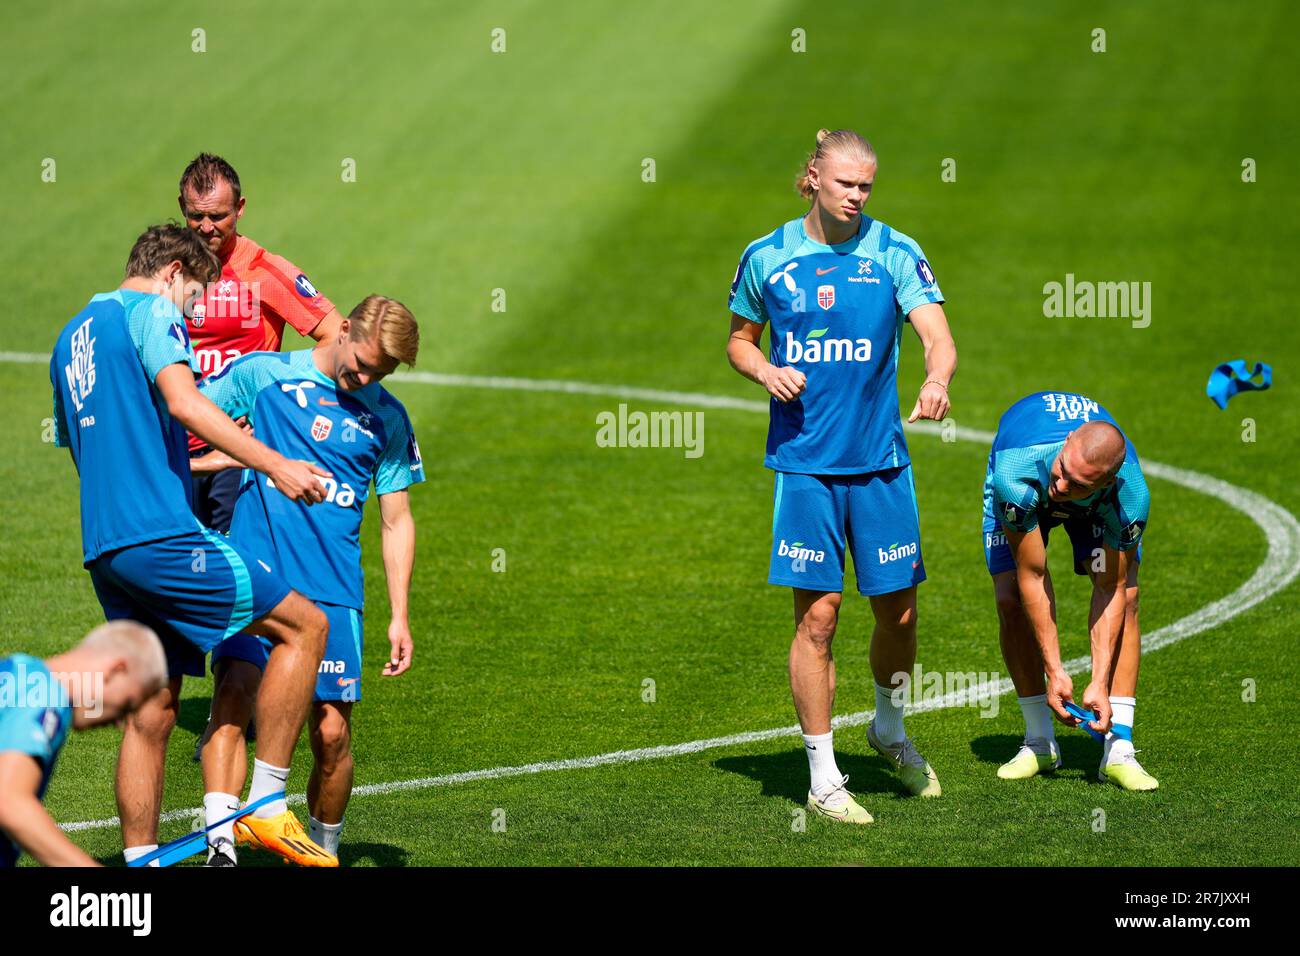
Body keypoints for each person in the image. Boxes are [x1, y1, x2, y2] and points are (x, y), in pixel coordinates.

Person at [50, 223, 337, 866]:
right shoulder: (153, 308)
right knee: (304, 626)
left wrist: (189, 470)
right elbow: (183, 403)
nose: (195, 312)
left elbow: (91, 448)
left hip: (107, 547)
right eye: (195, 297)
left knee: (151, 710)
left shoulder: (70, 337)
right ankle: (264, 803)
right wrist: (274, 463)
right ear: (175, 273)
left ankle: (138, 868)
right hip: (165, 537)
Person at [726, 129, 957, 824]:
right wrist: (765, 369)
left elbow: (936, 335)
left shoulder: (894, 250)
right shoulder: (767, 257)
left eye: (867, 187)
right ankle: (823, 778)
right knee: (819, 617)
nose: (857, 197)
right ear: (814, 178)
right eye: (846, 184)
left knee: (900, 610)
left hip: (882, 462)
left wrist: (936, 377)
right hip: (805, 467)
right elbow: (739, 340)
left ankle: (888, 728)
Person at [194, 295, 423, 865]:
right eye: (363, 362)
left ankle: (321, 853)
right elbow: (186, 418)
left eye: (381, 373)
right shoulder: (263, 375)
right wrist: (212, 462)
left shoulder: (388, 418)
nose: (366, 377)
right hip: (257, 571)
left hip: (333, 588)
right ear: (343, 329)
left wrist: (400, 614)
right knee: (234, 692)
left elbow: (396, 520)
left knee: (331, 736)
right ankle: (222, 847)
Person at [984, 390, 1156, 790]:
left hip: (1099, 509)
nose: (1060, 486)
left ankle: (1119, 749)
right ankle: (1039, 742)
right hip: (1026, 474)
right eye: (1061, 471)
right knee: (1010, 598)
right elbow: (1033, 574)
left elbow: (1110, 588)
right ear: (1065, 445)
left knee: (1127, 597)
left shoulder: (1129, 498)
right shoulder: (1017, 473)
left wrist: (1098, 681)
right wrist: (1056, 672)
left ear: (1108, 482)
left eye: (1076, 484)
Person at [0, 622, 167, 867]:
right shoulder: (45, 696)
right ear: (116, 670)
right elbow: (9, 801)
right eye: (127, 705)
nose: (120, 722)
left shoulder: (16, 668)